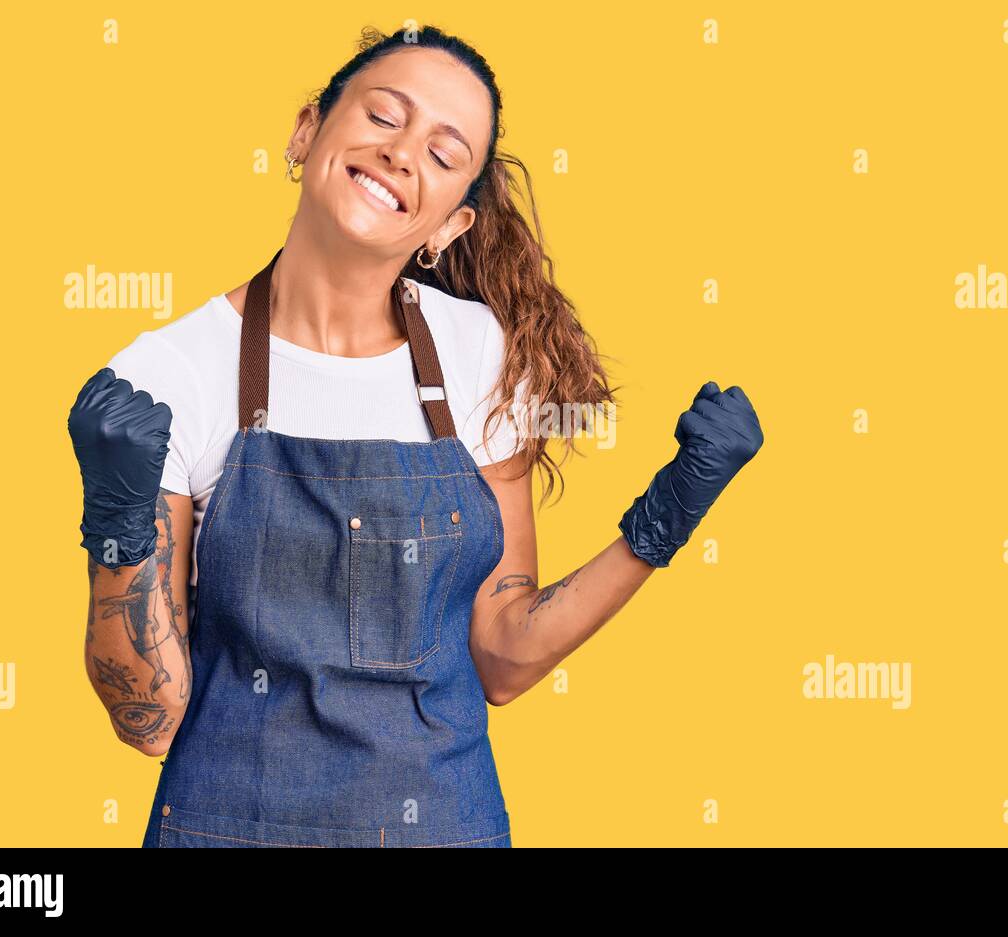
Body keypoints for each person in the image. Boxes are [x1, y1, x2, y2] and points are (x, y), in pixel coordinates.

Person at [68, 23, 763, 848]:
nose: (402, 154)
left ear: (449, 225)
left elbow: (506, 654)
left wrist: (666, 517)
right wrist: (115, 527)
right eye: (384, 116)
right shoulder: (172, 372)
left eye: (443, 153)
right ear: (307, 130)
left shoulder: (480, 356)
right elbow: (149, 717)